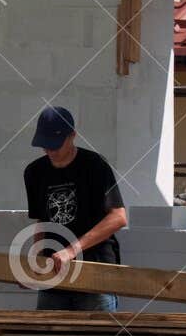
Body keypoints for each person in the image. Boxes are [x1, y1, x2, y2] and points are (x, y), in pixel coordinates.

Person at [23, 106, 128, 312]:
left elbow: (118, 217)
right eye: (45, 145)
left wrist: (71, 251)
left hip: (95, 275)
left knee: (97, 333)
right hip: (54, 277)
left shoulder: (95, 166)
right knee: (48, 332)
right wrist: (36, 263)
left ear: (72, 136)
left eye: (55, 144)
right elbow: (42, 221)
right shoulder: (34, 172)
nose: (50, 150)